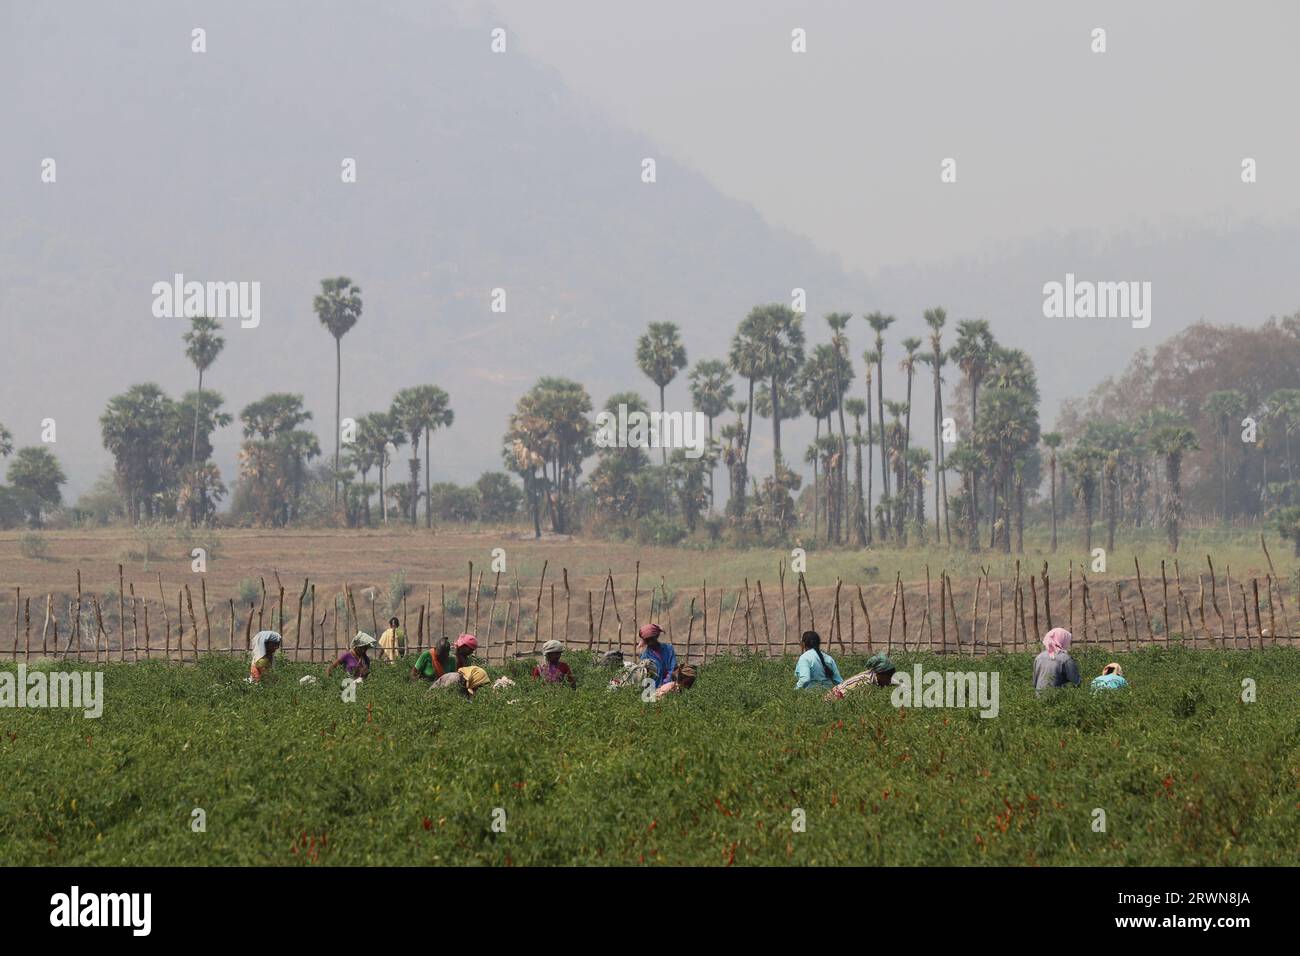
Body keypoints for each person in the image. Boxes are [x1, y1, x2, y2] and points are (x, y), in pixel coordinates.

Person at [826, 652, 897, 700]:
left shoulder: (874, 676)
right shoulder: (866, 683)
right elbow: (863, 705)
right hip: (833, 701)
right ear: (880, 674)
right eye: (888, 676)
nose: (890, 679)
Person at [1033, 627, 1081, 694]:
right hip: (1057, 699)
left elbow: (1035, 681)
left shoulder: (1039, 657)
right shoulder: (1065, 659)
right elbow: (1076, 682)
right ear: (1063, 640)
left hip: (1039, 697)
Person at [638, 623, 677, 689]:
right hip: (654, 690)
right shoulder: (645, 657)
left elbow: (673, 667)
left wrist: (666, 682)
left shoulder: (668, 649)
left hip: (670, 685)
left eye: (652, 639)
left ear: (656, 636)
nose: (650, 642)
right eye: (647, 640)